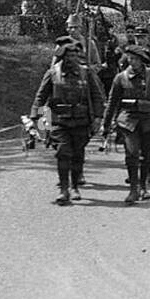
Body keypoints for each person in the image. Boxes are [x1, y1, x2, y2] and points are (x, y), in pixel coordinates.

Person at [29, 37, 106, 205]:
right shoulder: (52, 73)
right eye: (69, 56)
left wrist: (99, 118)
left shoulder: (87, 73)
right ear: (62, 57)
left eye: (75, 56)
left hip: (81, 121)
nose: (72, 59)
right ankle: (64, 189)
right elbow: (41, 98)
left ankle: (75, 185)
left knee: (78, 154)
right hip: (59, 121)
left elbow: (97, 96)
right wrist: (37, 120)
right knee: (63, 153)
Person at [101, 44, 150, 205]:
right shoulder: (120, 78)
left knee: (148, 155)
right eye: (129, 58)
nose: (131, 62)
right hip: (128, 121)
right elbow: (112, 102)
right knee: (132, 153)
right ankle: (133, 189)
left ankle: (143, 185)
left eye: (135, 59)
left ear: (141, 60)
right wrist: (105, 124)